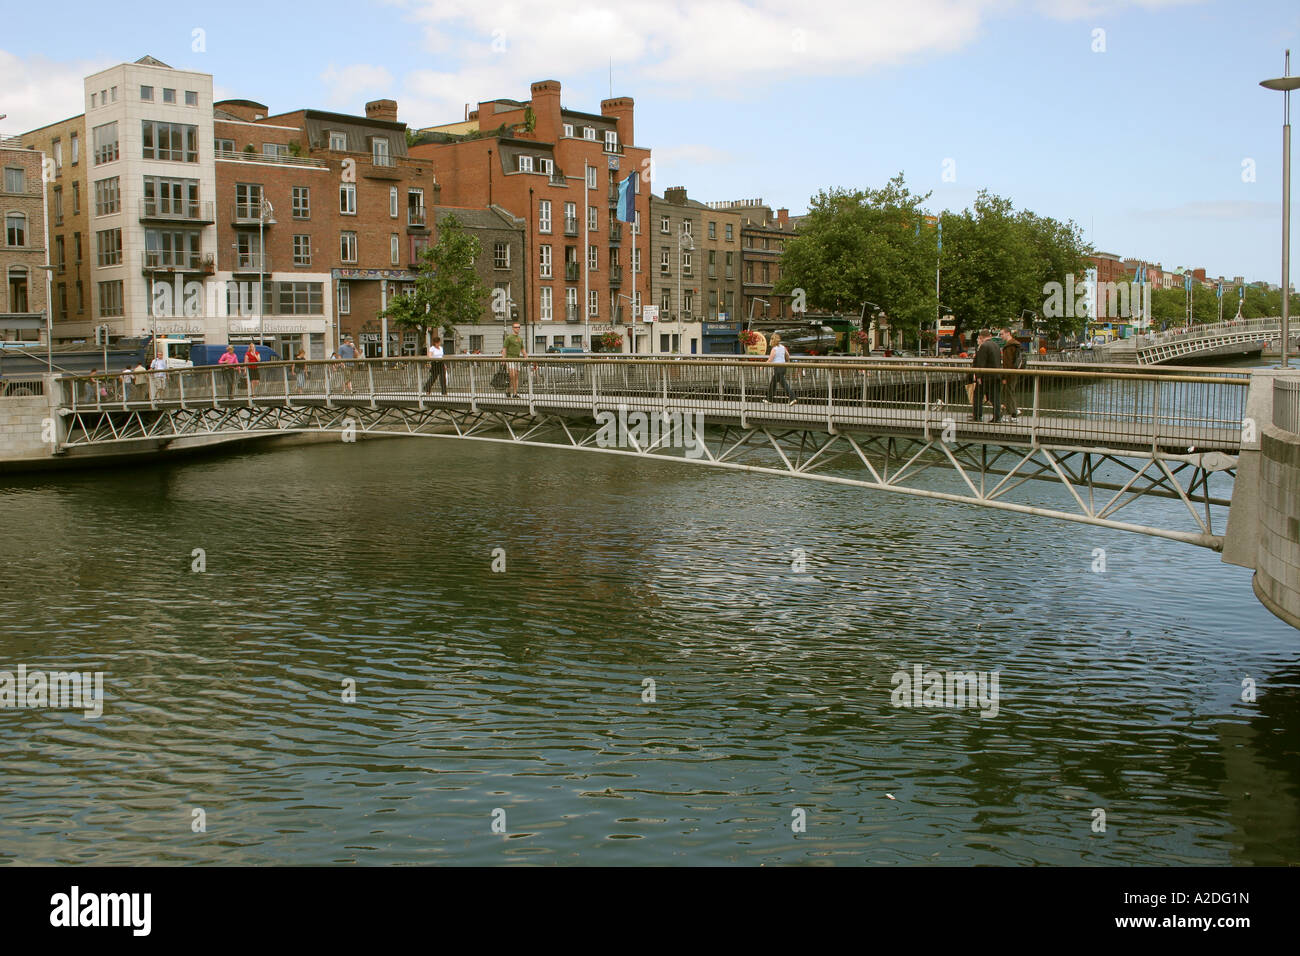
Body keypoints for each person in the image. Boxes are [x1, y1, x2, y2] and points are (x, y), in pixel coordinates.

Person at [971, 329, 1002, 423]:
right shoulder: (996, 345)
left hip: (986, 376)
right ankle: (997, 417)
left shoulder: (984, 346)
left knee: (978, 396)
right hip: (996, 375)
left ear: (981, 337)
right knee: (995, 397)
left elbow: (981, 362)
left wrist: (978, 376)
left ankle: (977, 416)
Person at [762, 333, 796, 404]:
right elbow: (787, 355)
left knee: (783, 384)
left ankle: (792, 397)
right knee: (773, 383)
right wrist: (787, 360)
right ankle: (769, 399)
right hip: (783, 367)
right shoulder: (782, 347)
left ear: (772, 340)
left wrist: (762, 366)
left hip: (777, 368)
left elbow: (770, 360)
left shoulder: (774, 349)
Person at [999, 327, 1021, 422]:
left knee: (1008, 393)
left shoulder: (1009, 346)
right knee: (1010, 392)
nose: (1001, 336)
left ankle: (1013, 414)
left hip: (1009, 374)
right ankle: (1013, 412)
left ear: (1008, 333)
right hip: (1014, 372)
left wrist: (1004, 376)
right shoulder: (1016, 345)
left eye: (1002, 334)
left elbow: (1007, 363)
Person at [501, 322, 526, 397]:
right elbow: (504, 349)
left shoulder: (520, 339)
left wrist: (526, 357)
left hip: (517, 359)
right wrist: (503, 359)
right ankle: (508, 390)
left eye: (518, 327)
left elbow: (522, 349)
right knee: (512, 375)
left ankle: (515, 393)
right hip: (510, 358)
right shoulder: (509, 338)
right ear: (512, 328)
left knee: (516, 376)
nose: (517, 328)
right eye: (515, 327)